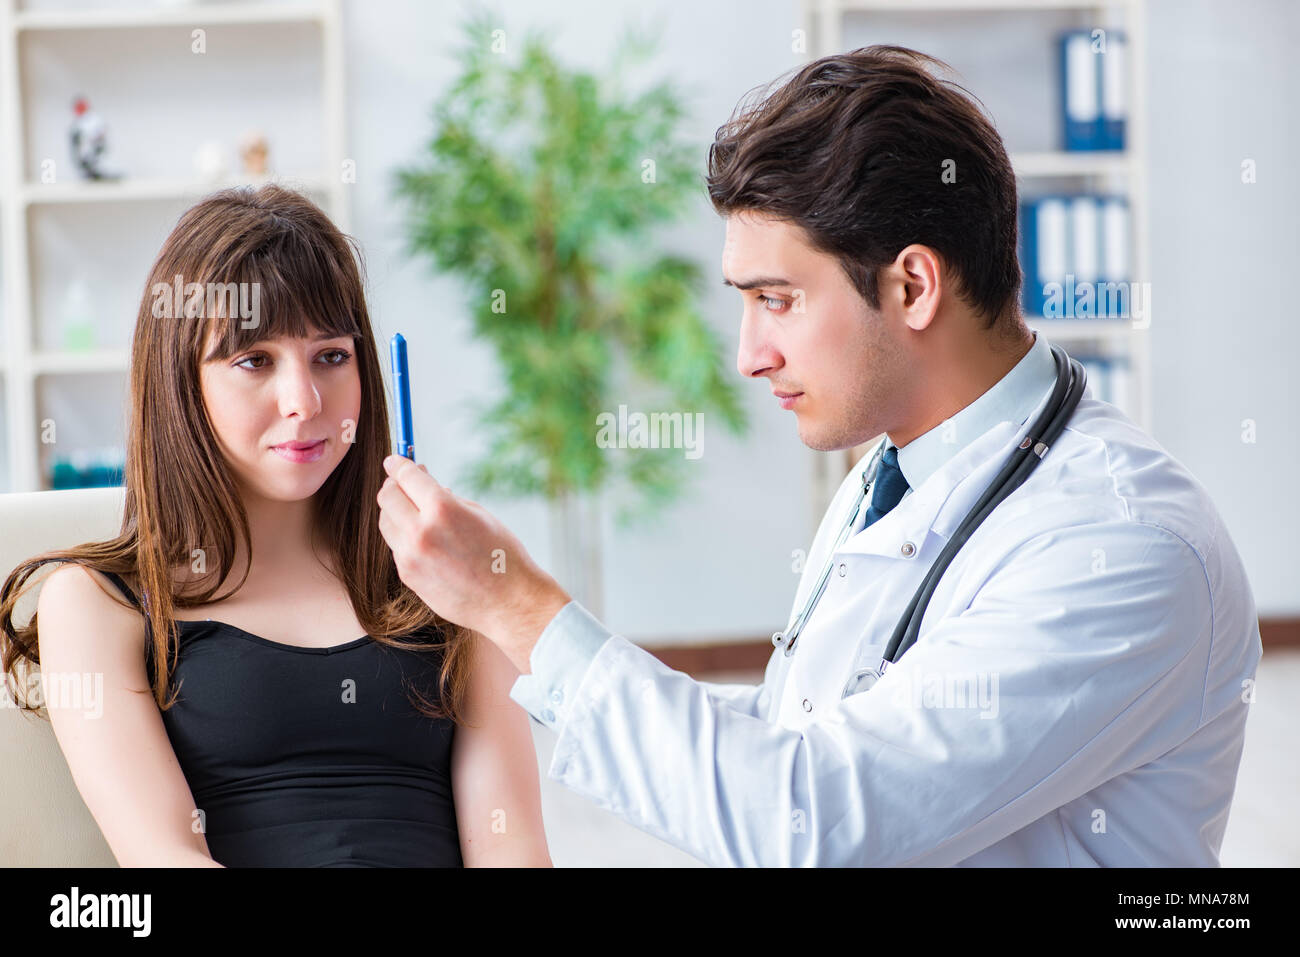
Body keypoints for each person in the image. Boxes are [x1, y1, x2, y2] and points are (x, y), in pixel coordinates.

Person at [375, 46, 1263, 866]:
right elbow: (799, 729)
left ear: (912, 285)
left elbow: (809, 815)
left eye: (777, 299)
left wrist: (521, 606)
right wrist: (538, 659)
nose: (748, 353)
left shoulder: (1120, 545)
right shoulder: (891, 473)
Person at [0, 185, 550, 867]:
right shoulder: (99, 603)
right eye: (255, 360)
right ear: (181, 384)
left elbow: (514, 852)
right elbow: (167, 858)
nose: (304, 402)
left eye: (331, 355)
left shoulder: (446, 578)